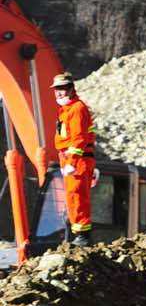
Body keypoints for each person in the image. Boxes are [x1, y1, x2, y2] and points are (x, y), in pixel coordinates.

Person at [50, 73, 96, 247]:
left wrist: (72, 161)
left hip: (77, 161)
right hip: (72, 159)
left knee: (78, 197)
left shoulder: (76, 109)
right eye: (56, 90)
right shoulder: (66, 110)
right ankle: (79, 233)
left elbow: (79, 139)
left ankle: (83, 236)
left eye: (62, 89)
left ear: (71, 89)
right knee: (73, 197)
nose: (59, 93)